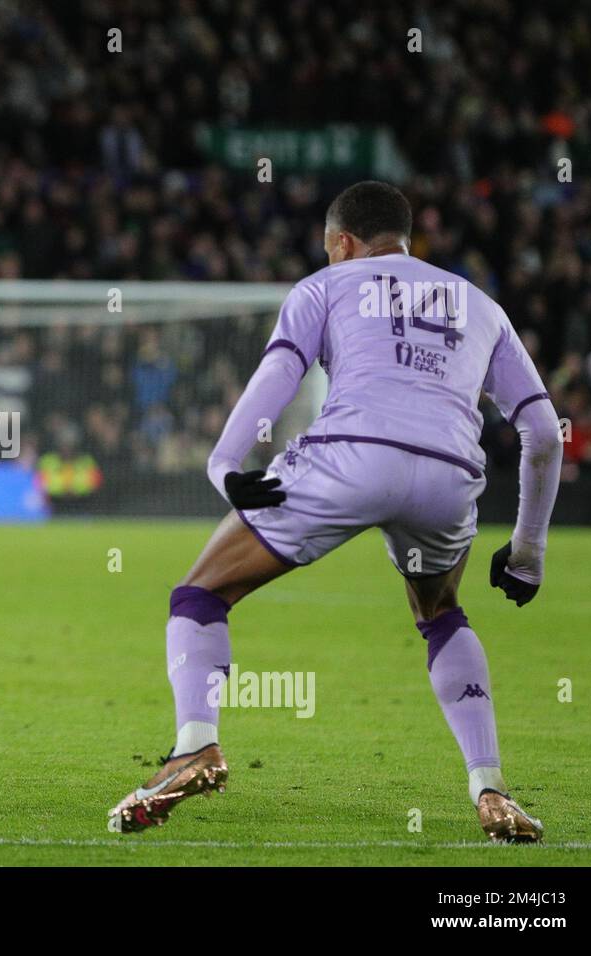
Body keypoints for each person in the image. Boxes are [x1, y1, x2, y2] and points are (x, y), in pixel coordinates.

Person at [110, 181, 561, 843]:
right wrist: (527, 555)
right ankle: (490, 789)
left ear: (342, 243)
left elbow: (279, 374)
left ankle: (196, 747)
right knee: (440, 615)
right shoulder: (483, 306)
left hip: (349, 458)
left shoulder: (326, 287)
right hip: (449, 476)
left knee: (200, 592)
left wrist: (225, 463)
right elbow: (545, 434)